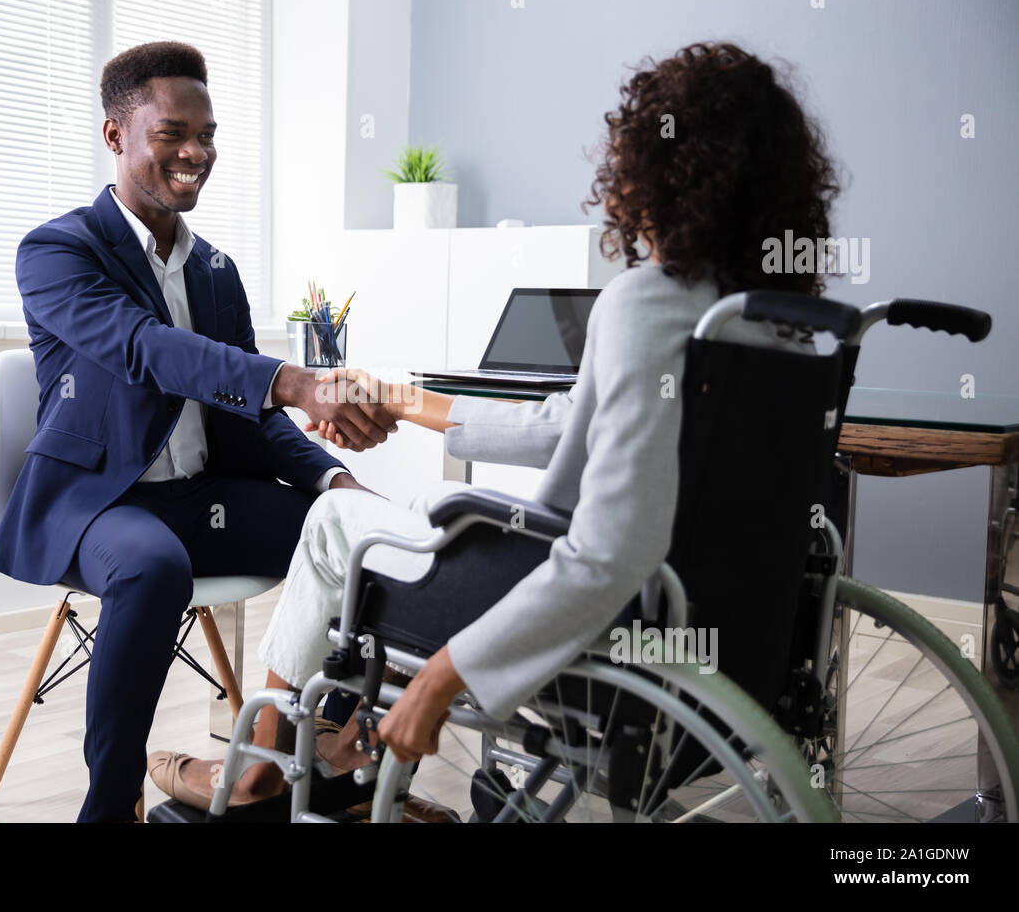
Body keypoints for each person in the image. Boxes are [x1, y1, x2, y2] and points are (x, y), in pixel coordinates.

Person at [147, 41, 841, 808]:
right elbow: (569, 422)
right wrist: (398, 399)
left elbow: (609, 552)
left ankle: (256, 771)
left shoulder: (647, 301)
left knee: (335, 520)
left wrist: (441, 681)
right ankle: (345, 749)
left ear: (661, 168)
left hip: (593, 611)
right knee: (381, 520)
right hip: (722, 619)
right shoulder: (777, 329)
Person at [0, 41, 397, 822]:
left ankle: (305, 765)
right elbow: (145, 349)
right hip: (102, 505)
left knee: (366, 540)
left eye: (207, 134)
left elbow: (243, 409)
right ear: (116, 136)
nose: (196, 152)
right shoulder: (58, 250)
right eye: (173, 132)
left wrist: (334, 484)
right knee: (150, 569)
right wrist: (295, 379)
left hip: (204, 496)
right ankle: (112, 805)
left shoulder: (215, 269)